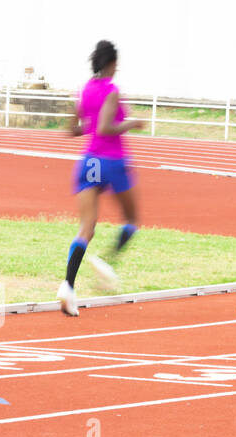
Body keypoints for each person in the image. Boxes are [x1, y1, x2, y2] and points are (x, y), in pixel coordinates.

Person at [58, 39, 145, 317]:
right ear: (112, 63)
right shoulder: (111, 90)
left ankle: (68, 286)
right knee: (131, 219)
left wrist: (91, 126)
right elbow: (107, 128)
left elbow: (73, 129)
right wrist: (132, 123)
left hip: (88, 162)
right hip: (113, 161)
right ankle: (106, 262)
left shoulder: (84, 89)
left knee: (86, 228)